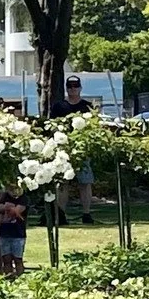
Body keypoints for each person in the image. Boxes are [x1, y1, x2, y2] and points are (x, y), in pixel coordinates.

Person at [48, 76, 97, 224]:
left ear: (80, 88)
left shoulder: (88, 107)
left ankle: (86, 214)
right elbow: (52, 127)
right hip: (63, 150)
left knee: (85, 182)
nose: (73, 89)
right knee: (63, 183)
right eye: (70, 86)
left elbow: (93, 127)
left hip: (82, 149)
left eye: (76, 86)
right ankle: (61, 214)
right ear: (66, 88)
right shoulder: (58, 107)